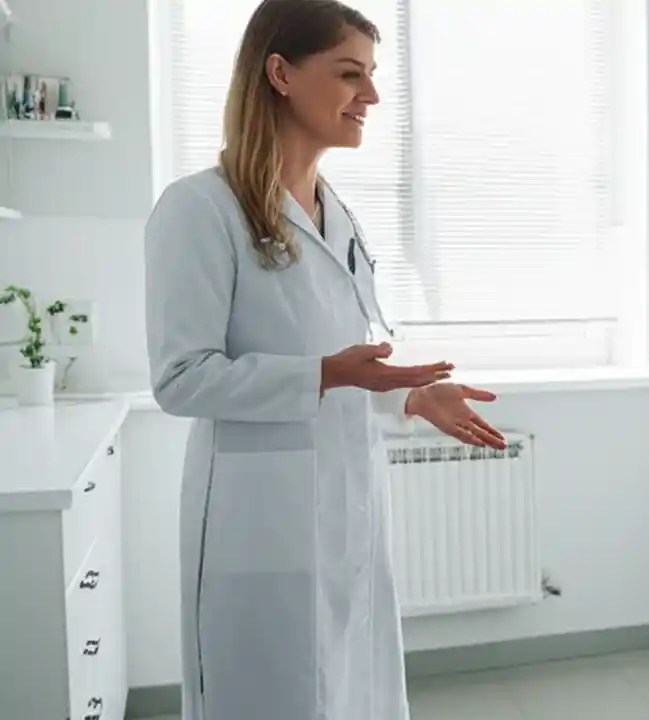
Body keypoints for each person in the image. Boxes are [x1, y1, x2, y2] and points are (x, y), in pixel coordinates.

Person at [144, 1, 506, 717]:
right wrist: (329, 374)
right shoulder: (198, 210)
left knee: (352, 692)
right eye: (350, 74)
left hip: (348, 509)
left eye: (371, 75)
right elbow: (180, 379)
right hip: (260, 519)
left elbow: (348, 363)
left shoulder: (335, 213)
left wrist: (408, 396)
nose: (371, 96)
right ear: (279, 72)